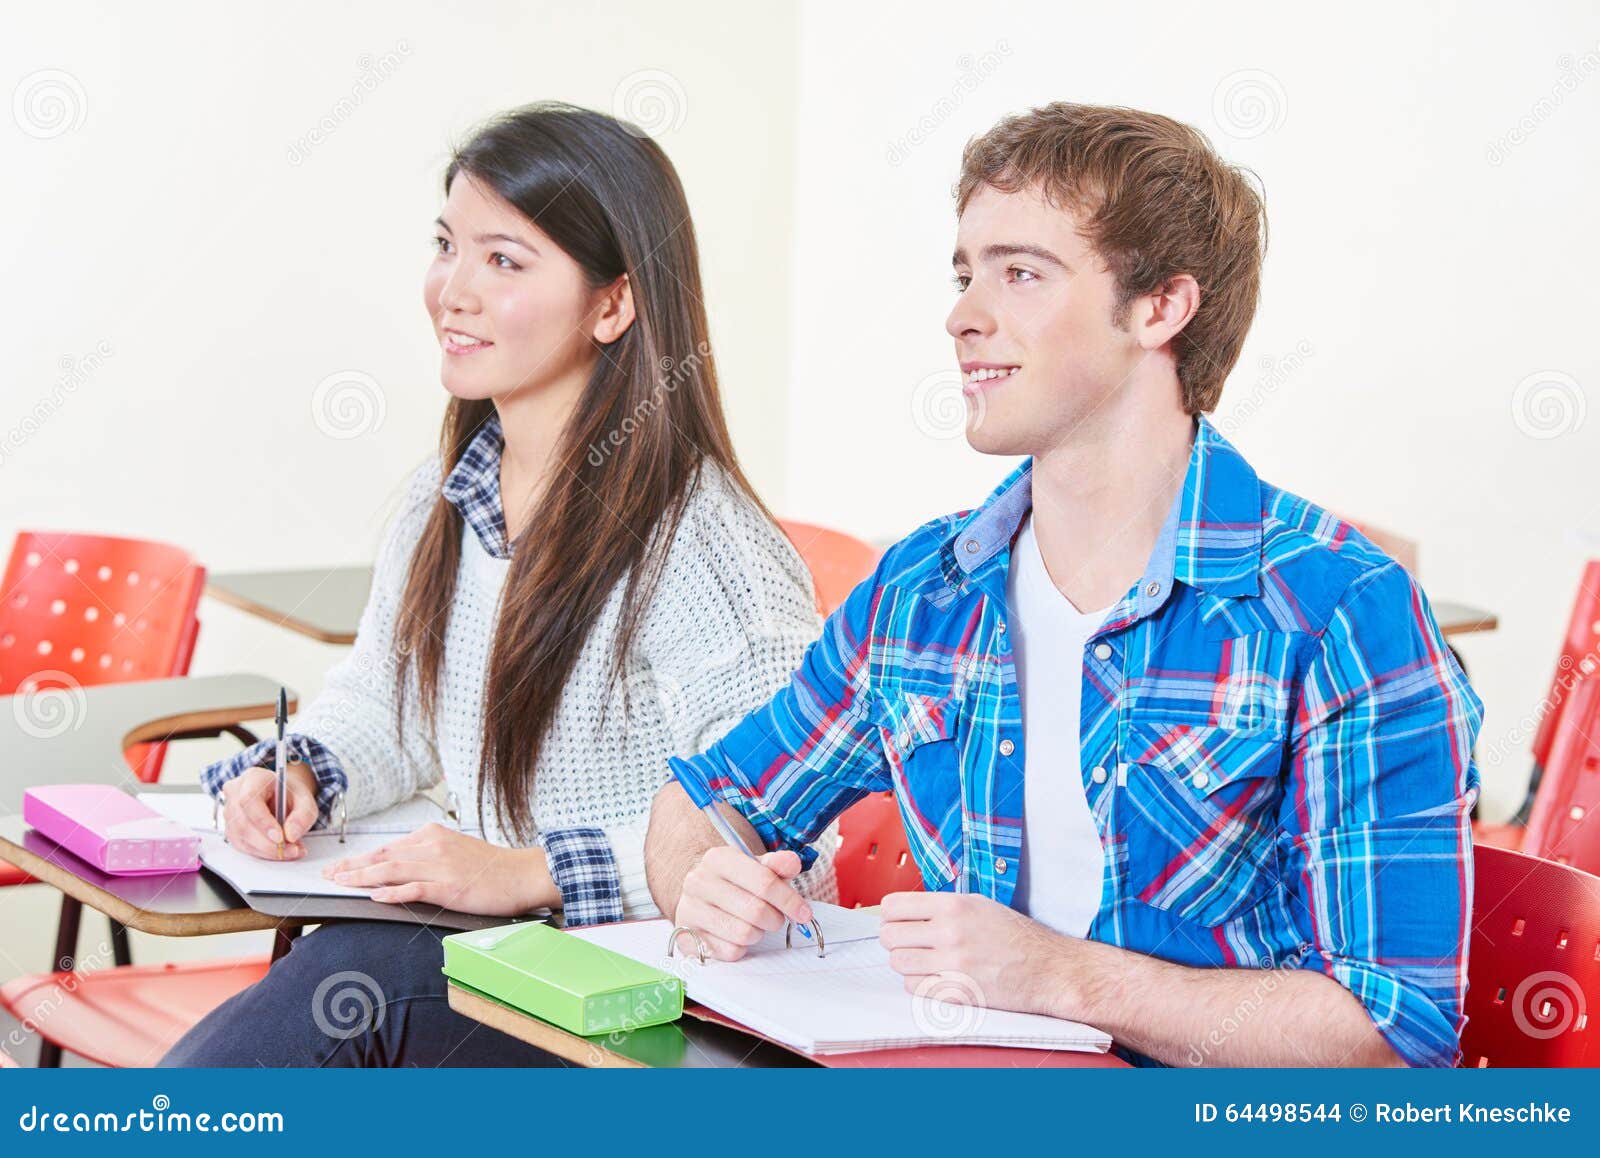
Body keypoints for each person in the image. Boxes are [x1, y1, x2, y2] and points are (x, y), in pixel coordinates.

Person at [645, 102, 1482, 1068]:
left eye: (1020, 273)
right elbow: (704, 800)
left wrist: (1060, 975)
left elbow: (1392, 1035)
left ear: (1161, 307)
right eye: (964, 274)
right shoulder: (924, 591)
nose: (963, 314)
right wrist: (700, 878)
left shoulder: (1342, 609)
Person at [161, 102, 831, 1067]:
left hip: (650, 1007)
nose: (453, 292)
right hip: (500, 962)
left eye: (505, 261)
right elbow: (389, 707)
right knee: (321, 995)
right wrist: (305, 770)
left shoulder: (707, 546)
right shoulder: (447, 502)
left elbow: (775, 833)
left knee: (326, 1007)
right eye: (447, 246)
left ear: (614, 305)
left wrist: (523, 874)